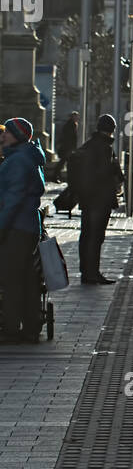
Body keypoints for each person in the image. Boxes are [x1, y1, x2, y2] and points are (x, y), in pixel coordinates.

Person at [0, 117, 46, 342]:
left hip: (16, 227)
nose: (2, 136)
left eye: (6, 133)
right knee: (27, 278)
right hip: (28, 226)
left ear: (16, 136)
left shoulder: (18, 161)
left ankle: (10, 329)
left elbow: (13, 199)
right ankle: (31, 326)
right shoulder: (29, 157)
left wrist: (1, 228)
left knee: (11, 278)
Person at [68, 114, 123, 285]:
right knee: (96, 236)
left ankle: (87, 272)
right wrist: (117, 174)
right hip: (100, 198)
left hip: (87, 198)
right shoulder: (105, 148)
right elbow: (106, 172)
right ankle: (93, 273)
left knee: (86, 235)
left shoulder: (88, 145)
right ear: (112, 129)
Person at [55, 109, 79, 179]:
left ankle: (57, 176)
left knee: (64, 162)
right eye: (75, 117)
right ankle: (57, 176)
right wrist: (72, 148)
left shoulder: (71, 124)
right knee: (65, 162)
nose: (77, 118)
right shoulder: (71, 125)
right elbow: (69, 137)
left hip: (68, 147)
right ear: (72, 117)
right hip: (68, 147)